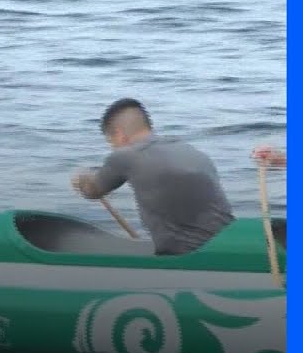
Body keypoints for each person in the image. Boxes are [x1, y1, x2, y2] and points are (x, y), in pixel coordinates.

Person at [71, 97, 234, 255]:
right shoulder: (188, 149)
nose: (113, 148)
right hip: (226, 244)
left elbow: (92, 191)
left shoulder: (125, 156)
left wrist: (82, 177)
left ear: (119, 135)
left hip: (183, 257)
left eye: (111, 142)